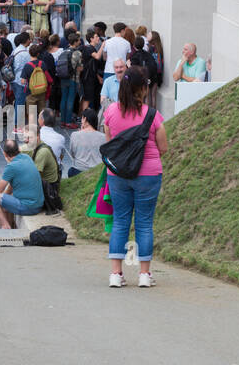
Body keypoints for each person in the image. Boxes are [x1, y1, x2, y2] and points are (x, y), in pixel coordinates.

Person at [103, 67, 167, 288]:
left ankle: (115, 274)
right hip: (148, 173)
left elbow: (110, 141)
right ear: (143, 88)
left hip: (118, 174)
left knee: (120, 221)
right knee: (144, 223)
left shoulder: (111, 111)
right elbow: (164, 147)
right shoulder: (152, 115)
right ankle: (144, 275)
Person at [0, 139, 44, 229]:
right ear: (19, 150)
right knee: (6, 200)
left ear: (4, 153)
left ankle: (5, 225)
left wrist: (2, 200)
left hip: (28, 207)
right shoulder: (26, 157)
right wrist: (4, 200)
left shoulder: (11, 167)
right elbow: (11, 187)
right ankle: (11, 226)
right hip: (38, 204)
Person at [66, 108, 106, 177]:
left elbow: (73, 154)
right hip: (97, 171)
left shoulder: (75, 135)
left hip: (78, 171)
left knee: (70, 171)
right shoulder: (103, 137)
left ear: (84, 119)